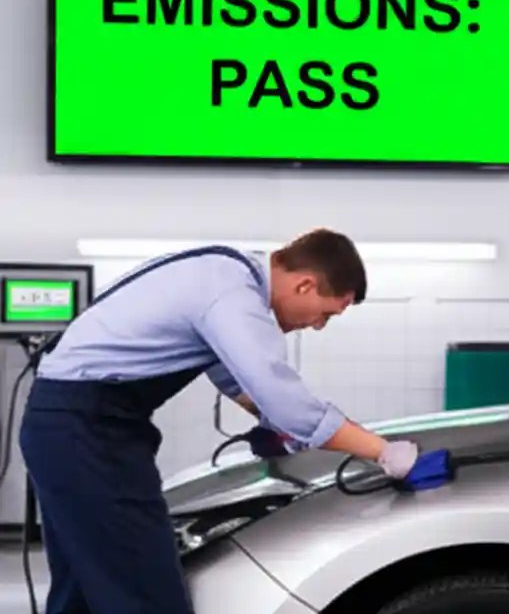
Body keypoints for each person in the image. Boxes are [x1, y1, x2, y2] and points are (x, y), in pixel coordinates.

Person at [18, 228, 421, 614]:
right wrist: (384, 451)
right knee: (144, 589)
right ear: (305, 285)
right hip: (86, 431)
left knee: (84, 590)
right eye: (325, 315)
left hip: (66, 425)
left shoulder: (224, 270)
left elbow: (240, 383)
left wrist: (273, 424)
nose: (317, 326)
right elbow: (288, 405)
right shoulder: (233, 293)